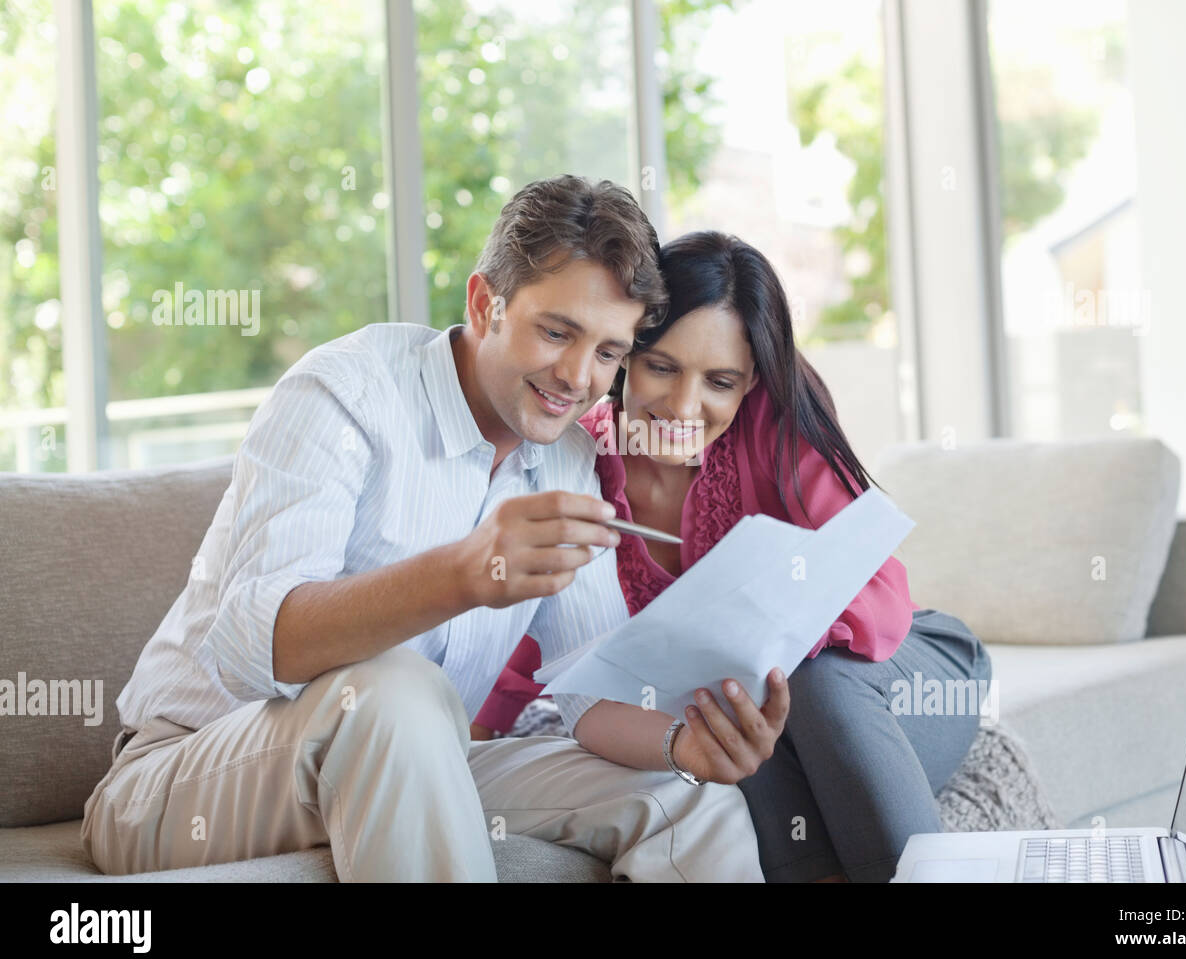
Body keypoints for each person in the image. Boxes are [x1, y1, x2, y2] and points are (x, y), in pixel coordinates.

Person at [81, 177, 788, 883]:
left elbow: (586, 686)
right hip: (185, 773)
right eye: (556, 331)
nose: (577, 376)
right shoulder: (344, 393)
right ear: (486, 304)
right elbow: (248, 645)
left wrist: (681, 743)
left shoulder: (568, 458)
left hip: (417, 757)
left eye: (608, 351)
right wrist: (460, 573)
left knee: (689, 800)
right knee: (394, 688)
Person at [472, 230, 994, 882]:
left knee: (804, 683)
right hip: (744, 708)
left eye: (720, 381)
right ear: (626, 351)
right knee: (720, 733)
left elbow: (880, 602)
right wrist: (472, 739)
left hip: (895, 670)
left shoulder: (777, 426)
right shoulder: (576, 463)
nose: (685, 406)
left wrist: (765, 642)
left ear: (749, 381)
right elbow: (537, 637)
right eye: (662, 366)